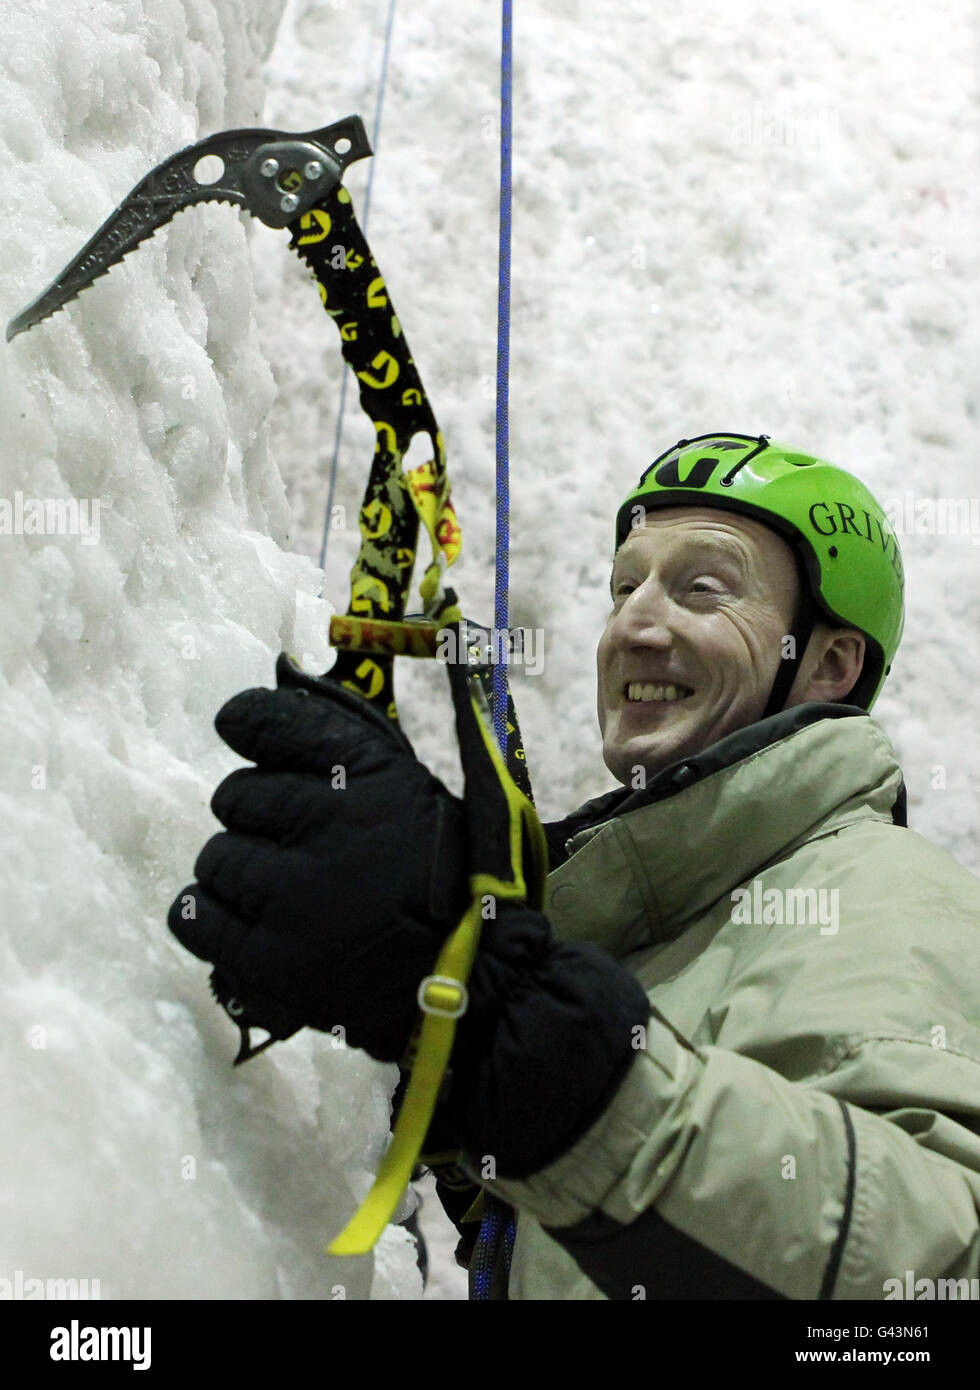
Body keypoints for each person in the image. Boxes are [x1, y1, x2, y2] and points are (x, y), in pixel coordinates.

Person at [168, 432, 980, 1301]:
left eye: (703, 589)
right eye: (625, 586)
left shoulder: (884, 897)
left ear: (827, 664)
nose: (634, 624)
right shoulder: (660, 925)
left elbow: (931, 1272)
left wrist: (512, 1036)